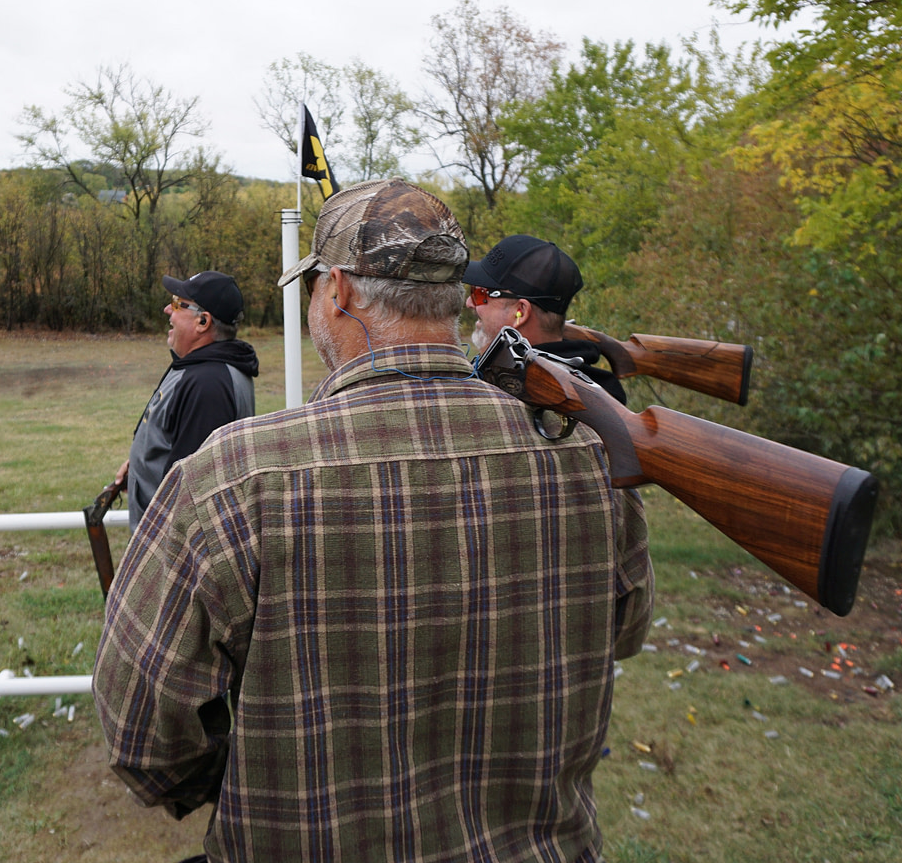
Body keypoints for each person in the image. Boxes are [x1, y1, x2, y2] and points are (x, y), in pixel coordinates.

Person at [95, 180, 654, 863]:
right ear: (452, 297)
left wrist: (245, 783)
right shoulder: (589, 450)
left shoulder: (232, 479)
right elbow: (623, 629)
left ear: (338, 291)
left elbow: (142, 734)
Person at [110, 270, 259, 529]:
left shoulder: (208, 384)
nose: (168, 309)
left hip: (170, 557)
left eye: (178, 303)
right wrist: (140, 468)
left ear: (203, 321)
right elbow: (178, 445)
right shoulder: (202, 369)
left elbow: (190, 496)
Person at [464, 234, 629, 405]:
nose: (469, 303)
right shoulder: (602, 388)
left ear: (520, 311)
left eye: (480, 294)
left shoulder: (513, 389)